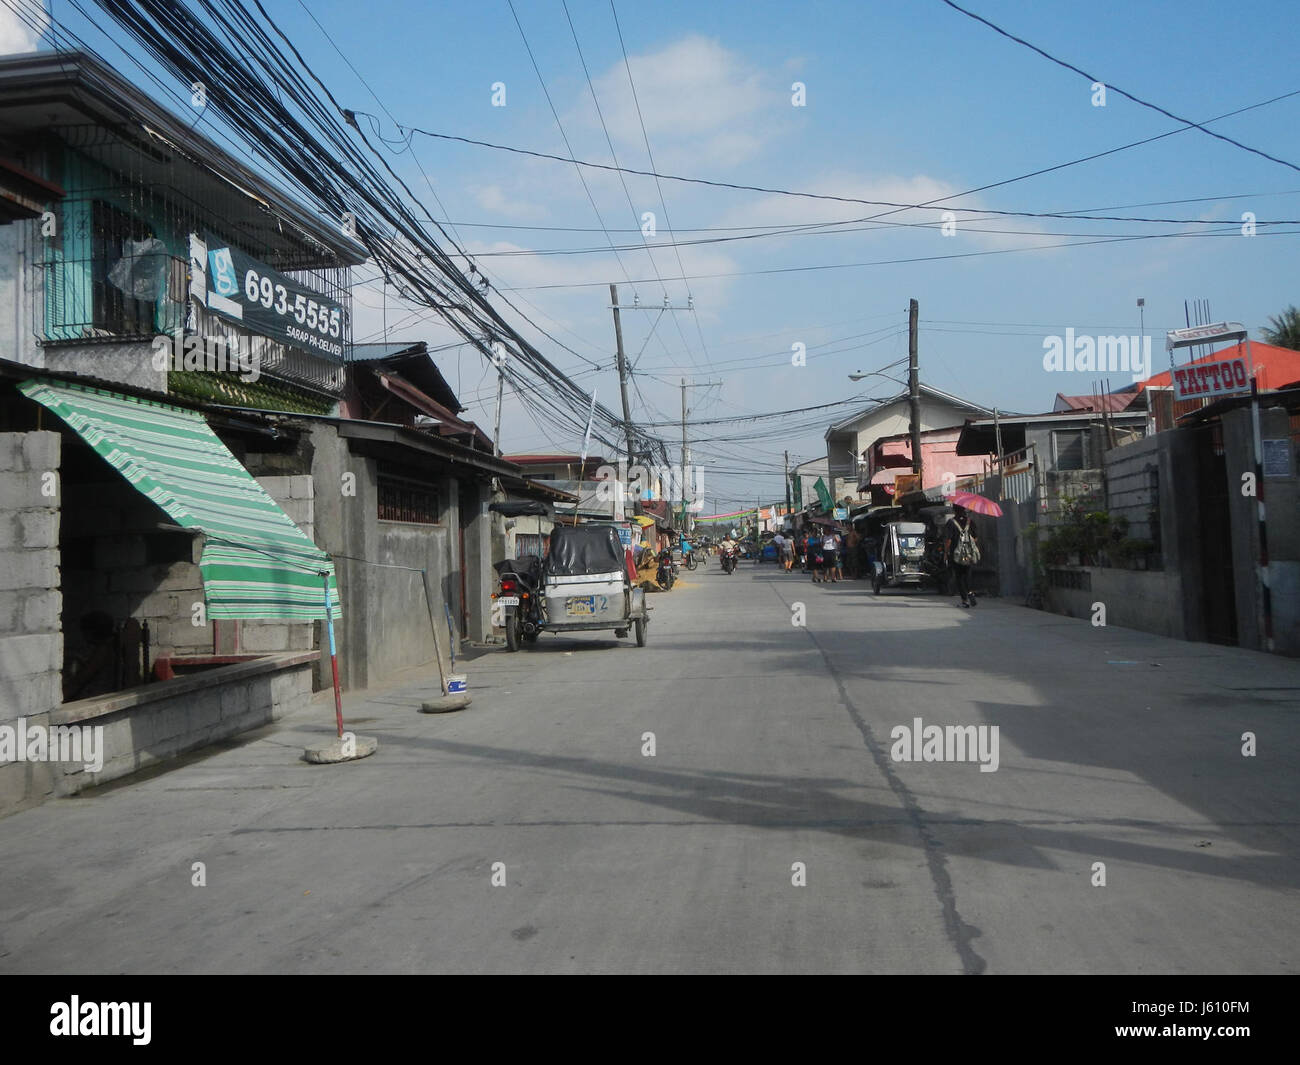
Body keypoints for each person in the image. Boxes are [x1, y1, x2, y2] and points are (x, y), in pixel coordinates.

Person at [944, 507, 980, 607]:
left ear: (954, 511)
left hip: (956, 554)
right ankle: (970, 592)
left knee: (959, 577)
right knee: (968, 574)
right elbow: (976, 538)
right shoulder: (970, 522)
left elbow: (948, 540)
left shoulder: (951, 523)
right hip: (968, 554)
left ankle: (965, 600)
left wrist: (946, 553)